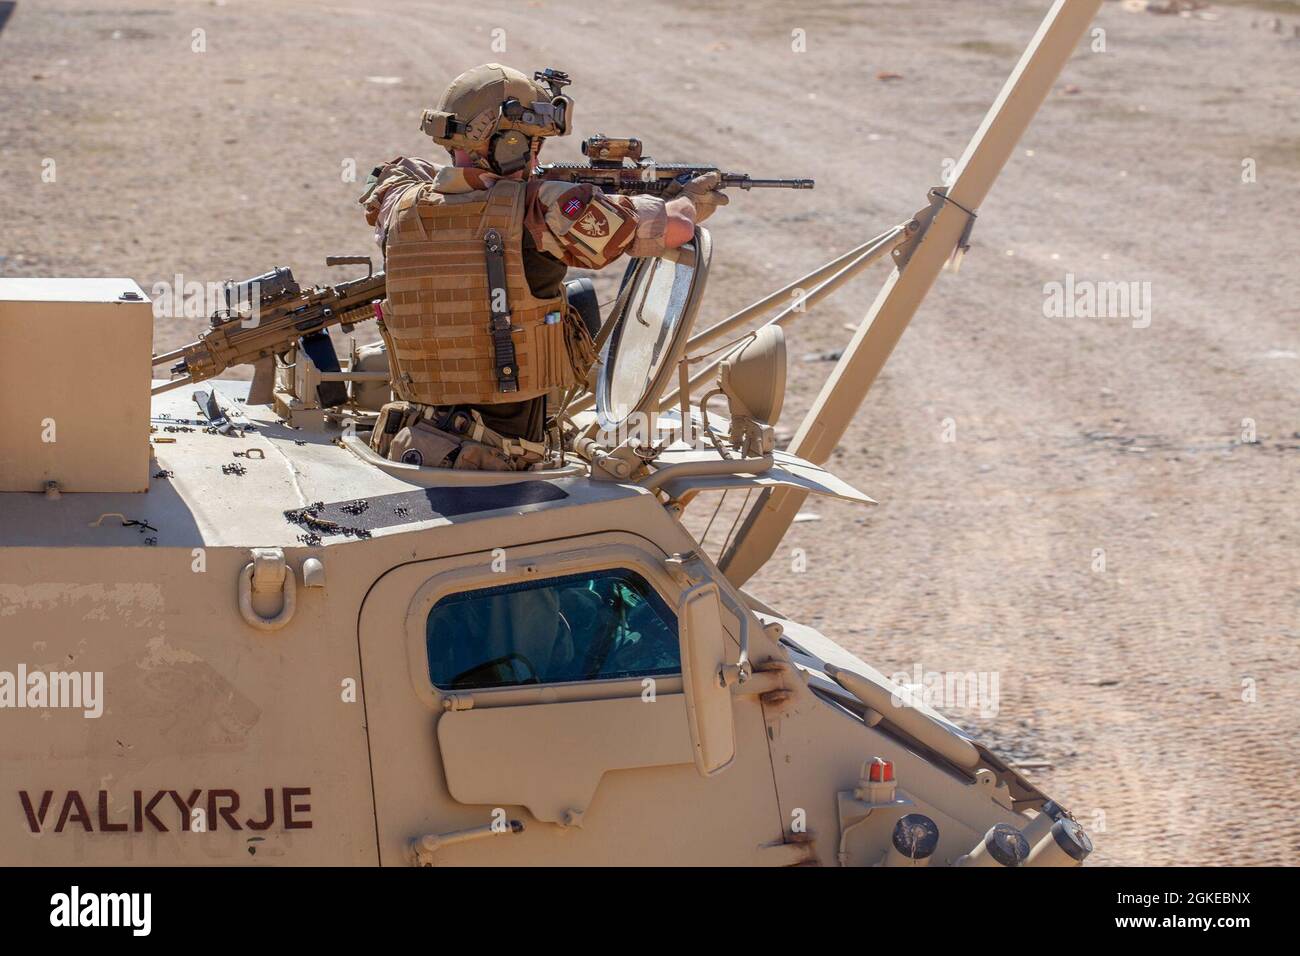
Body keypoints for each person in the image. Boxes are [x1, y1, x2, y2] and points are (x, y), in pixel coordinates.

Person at [360, 63, 726, 470]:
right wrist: (690, 199)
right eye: (533, 143)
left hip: (416, 445)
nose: (537, 157)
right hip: (494, 464)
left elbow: (396, 180)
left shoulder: (399, 205)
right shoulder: (543, 207)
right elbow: (671, 228)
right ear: (511, 141)